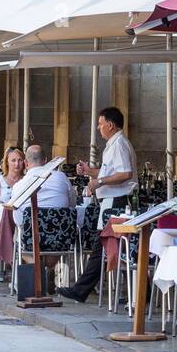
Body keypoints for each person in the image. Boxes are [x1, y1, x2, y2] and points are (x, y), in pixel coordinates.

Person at [57, 107, 137, 302]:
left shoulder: (119, 144)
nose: (99, 128)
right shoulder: (114, 144)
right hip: (111, 200)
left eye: (101, 124)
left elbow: (125, 174)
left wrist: (99, 181)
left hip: (117, 201)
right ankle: (143, 290)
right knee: (116, 246)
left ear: (110, 124)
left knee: (105, 245)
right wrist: (90, 172)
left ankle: (81, 290)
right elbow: (111, 171)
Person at [0, 146, 26, 213]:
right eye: (13, 160)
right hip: (2, 220)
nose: (17, 164)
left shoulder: (27, 180)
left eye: (20, 160)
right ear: (7, 162)